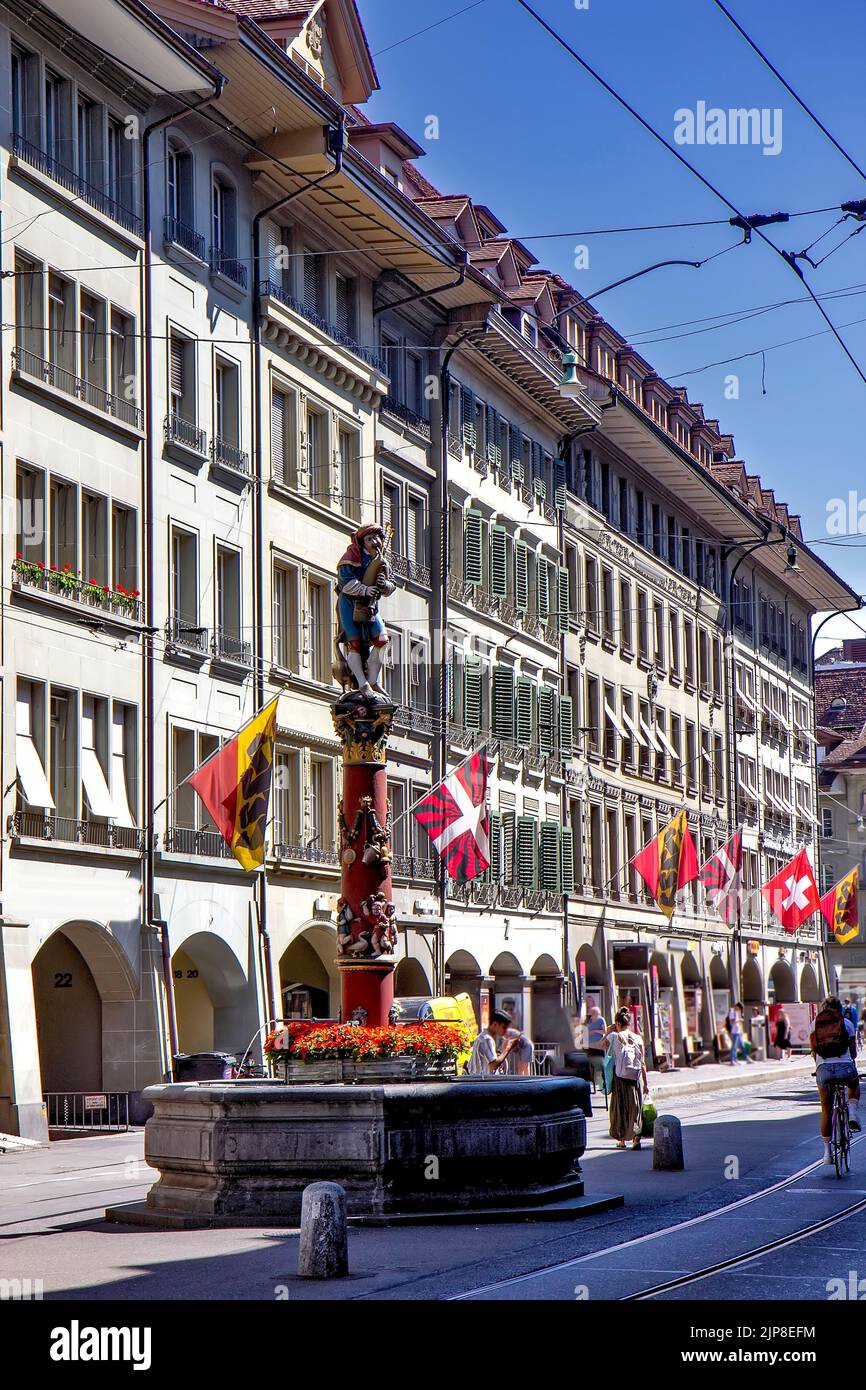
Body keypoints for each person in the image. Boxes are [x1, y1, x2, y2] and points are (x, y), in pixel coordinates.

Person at [810, 996, 862, 1164]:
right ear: (839, 1007)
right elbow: (853, 1053)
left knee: (826, 1109)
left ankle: (827, 1154)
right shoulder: (846, 1023)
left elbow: (814, 1052)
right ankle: (852, 1113)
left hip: (824, 1068)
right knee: (854, 1084)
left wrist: (820, 1066)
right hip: (844, 1067)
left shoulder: (815, 1024)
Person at [604, 1007, 648, 1149]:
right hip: (635, 1078)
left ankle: (622, 1140)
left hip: (620, 1077)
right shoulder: (637, 1038)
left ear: (617, 1023)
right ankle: (636, 1138)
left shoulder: (615, 1036)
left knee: (619, 1108)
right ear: (629, 1023)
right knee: (635, 1108)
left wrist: (608, 1031)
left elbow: (600, 1045)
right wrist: (646, 1083)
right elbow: (642, 1063)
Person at [467, 1010, 513, 1075]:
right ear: (495, 1024)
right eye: (504, 1027)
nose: (505, 1031)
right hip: (483, 1081)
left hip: (478, 1079)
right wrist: (508, 1048)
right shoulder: (486, 1039)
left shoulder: (481, 1036)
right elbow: (494, 1065)